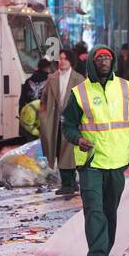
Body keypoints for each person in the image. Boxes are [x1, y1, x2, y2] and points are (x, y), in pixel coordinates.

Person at [60, 46, 129, 256]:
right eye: (99, 58)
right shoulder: (80, 92)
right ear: (92, 62)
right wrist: (77, 139)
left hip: (117, 164)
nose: (104, 61)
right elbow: (67, 125)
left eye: (108, 58)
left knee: (110, 213)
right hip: (91, 163)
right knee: (95, 210)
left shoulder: (125, 88)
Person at [40, 48, 86, 196]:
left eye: (65, 58)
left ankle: (69, 183)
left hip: (72, 121)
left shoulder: (79, 79)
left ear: (71, 61)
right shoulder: (52, 78)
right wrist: (43, 116)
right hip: (55, 121)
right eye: (60, 58)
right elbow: (44, 99)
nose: (62, 61)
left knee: (69, 152)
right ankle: (68, 183)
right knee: (58, 149)